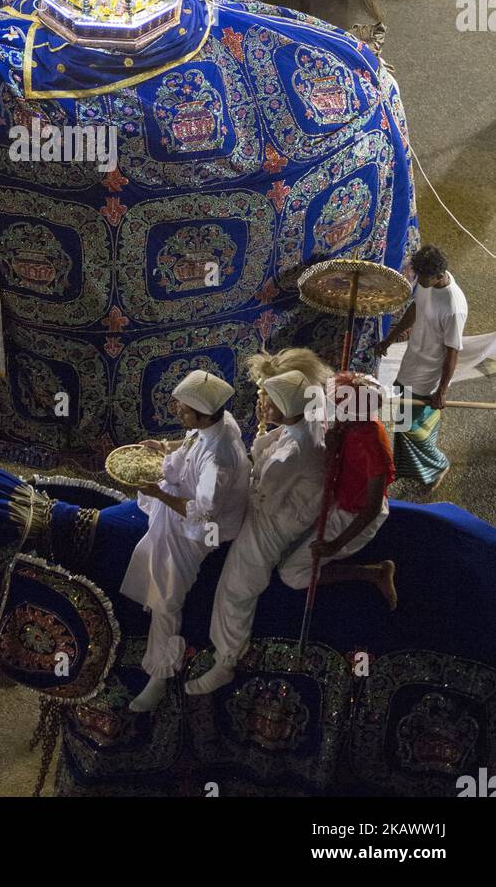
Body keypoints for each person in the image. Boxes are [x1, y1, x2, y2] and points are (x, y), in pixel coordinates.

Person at [186, 369, 327, 696]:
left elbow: (264, 492)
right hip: (272, 500)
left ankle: (226, 660)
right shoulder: (297, 427)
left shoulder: (294, 450)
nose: (262, 403)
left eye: (270, 399)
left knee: (237, 584)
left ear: (288, 408)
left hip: (274, 520)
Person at [121, 370, 251, 714]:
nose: (176, 409)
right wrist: (166, 448)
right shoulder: (219, 422)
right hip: (193, 499)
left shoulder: (218, 461)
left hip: (207, 527)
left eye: (184, 407)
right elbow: (193, 439)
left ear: (204, 414)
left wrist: (160, 494)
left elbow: (202, 513)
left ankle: (160, 675)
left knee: (167, 594)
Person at [276, 371, 398, 605]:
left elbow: (371, 508)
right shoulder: (350, 423)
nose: (335, 409)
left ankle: (374, 573)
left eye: (341, 406)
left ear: (356, 412)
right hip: (338, 498)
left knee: (290, 573)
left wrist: (336, 544)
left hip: (353, 515)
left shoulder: (375, 449)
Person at [377, 244, 468, 488]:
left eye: (423, 278)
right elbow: (416, 308)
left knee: (413, 429)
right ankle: (410, 469)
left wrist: (442, 390)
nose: (419, 281)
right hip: (411, 362)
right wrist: (390, 337)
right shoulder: (427, 283)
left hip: (428, 376)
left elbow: (452, 352)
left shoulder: (453, 307)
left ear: (439, 275)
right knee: (403, 421)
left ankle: (437, 466)